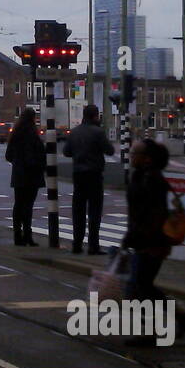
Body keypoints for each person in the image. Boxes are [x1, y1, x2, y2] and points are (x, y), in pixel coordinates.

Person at [122, 137, 185, 345]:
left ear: (146, 159)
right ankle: (181, 316)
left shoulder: (151, 180)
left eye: (135, 153)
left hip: (151, 242)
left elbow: (153, 216)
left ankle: (149, 331)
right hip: (143, 240)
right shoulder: (141, 176)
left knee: (139, 286)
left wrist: (144, 241)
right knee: (144, 286)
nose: (130, 156)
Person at [63, 103, 115, 255]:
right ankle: (93, 246)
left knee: (78, 211)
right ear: (95, 116)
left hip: (78, 174)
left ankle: (77, 245)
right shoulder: (98, 132)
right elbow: (110, 150)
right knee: (94, 212)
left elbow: (66, 152)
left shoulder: (74, 132)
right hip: (94, 174)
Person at [4, 108, 45, 246]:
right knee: (28, 206)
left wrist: (17, 163)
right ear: (33, 118)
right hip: (32, 175)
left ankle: (17, 235)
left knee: (19, 205)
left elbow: (8, 156)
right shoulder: (33, 135)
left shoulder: (15, 134)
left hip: (19, 175)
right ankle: (27, 235)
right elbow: (39, 155)